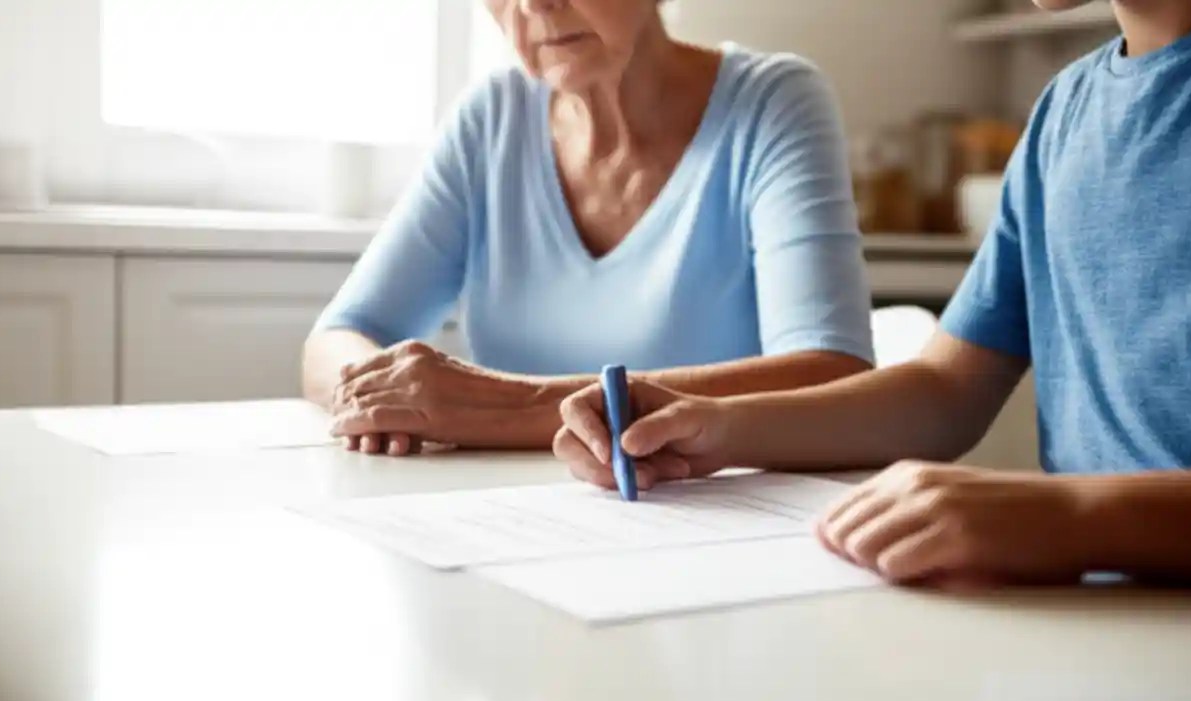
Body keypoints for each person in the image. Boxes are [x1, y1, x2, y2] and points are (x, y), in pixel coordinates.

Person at [555, 0, 1191, 587]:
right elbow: (946, 389)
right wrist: (716, 426)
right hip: (1096, 628)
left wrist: (1072, 515)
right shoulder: (1064, 114)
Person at [303, 0, 874, 456]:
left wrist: (500, 408)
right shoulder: (490, 120)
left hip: (713, 519)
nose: (535, 4)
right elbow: (341, 337)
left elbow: (833, 377)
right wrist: (380, 401)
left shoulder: (773, 104)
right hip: (510, 522)